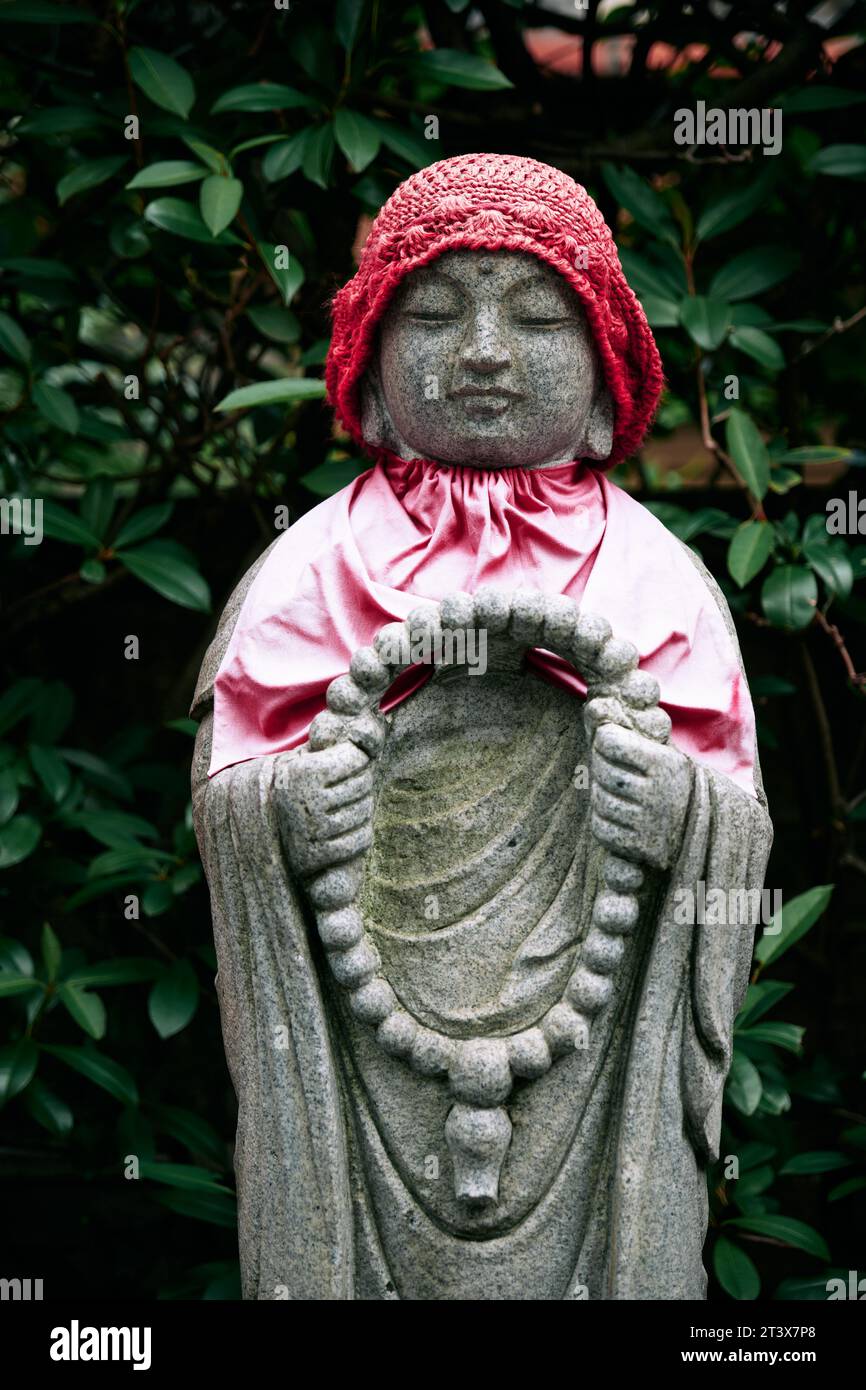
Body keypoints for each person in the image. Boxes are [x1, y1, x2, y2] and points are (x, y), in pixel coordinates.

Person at [191, 153, 772, 1300]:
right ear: (365, 365)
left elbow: (734, 828)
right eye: (436, 314)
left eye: (539, 317)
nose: (486, 353)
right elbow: (227, 802)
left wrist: (681, 817)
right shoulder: (305, 571)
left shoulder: (660, 583)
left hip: (593, 1069)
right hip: (358, 1069)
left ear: (605, 370)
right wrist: (278, 814)